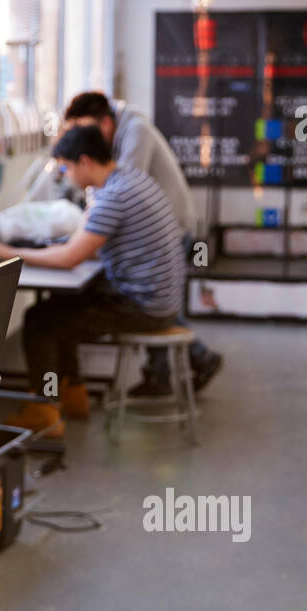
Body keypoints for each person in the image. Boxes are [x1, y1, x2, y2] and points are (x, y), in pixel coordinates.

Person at [0, 124, 186, 435]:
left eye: (66, 167)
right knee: (62, 305)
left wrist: (9, 252)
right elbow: (86, 247)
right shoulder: (131, 180)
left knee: (40, 321)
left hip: (145, 309)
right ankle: (72, 393)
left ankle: (46, 411)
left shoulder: (113, 197)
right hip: (158, 299)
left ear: (85, 162)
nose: (65, 175)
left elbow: (70, 258)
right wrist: (54, 249)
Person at [62, 91, 223, 399]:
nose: (84, 137)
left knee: (151, 295)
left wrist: (87, 229)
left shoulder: (136, 131)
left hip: (169, 223)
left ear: (105, 123)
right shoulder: (117, 132)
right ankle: (172, 370)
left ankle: (186, 363)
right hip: (151, 223)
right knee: (151, 297)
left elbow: (119, 184)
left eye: (86, 129)